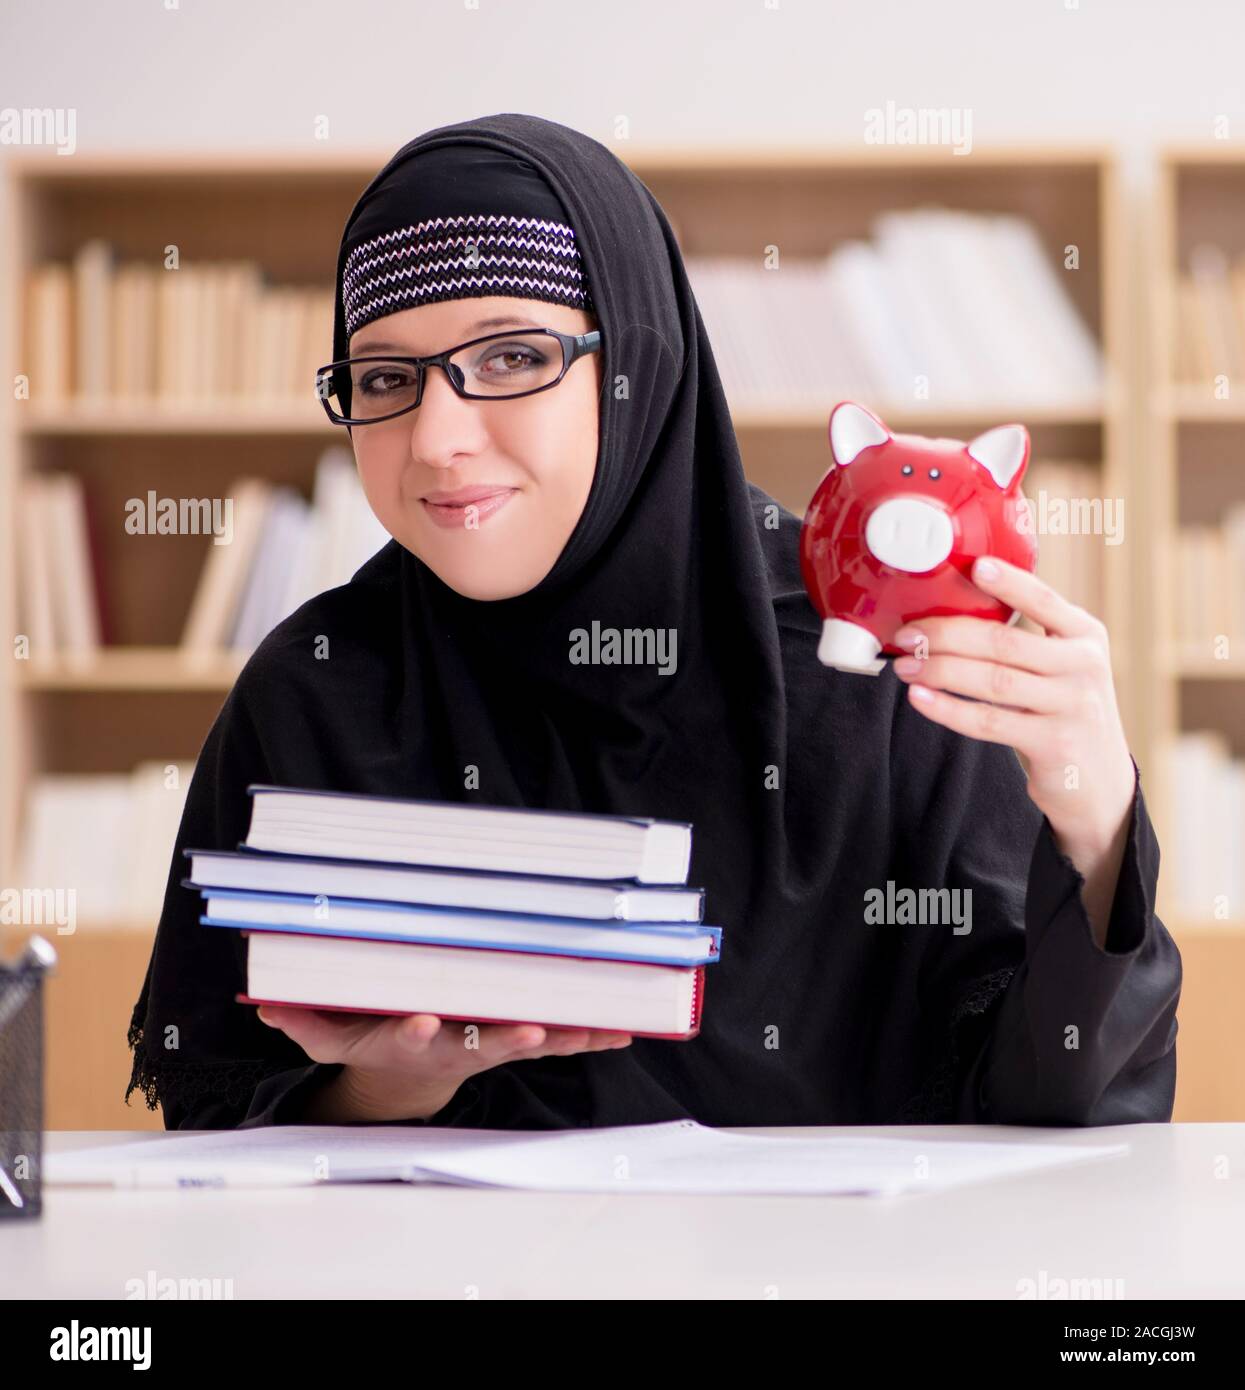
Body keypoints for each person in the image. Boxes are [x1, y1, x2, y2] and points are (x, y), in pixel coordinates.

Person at [126, 112, 1181, 1132]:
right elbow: (212, 1107)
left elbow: (1057, 1108)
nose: (437, 439)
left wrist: (1094, 823)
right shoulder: (315, 687)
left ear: (637, 360)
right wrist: (382, 1093)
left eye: (509, 359)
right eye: (387, 377)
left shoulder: (870, 657)